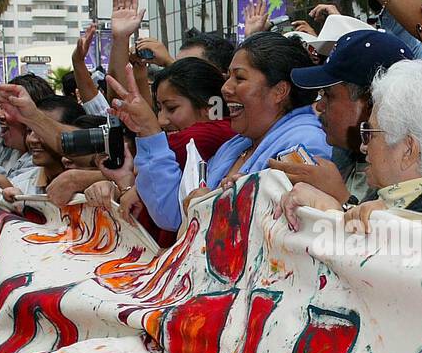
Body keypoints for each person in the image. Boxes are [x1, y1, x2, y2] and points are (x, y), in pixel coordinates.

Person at [127, 32, 330, 231]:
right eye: (228, 77)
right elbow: (173, 216)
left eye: (239, 78)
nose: (225, 88)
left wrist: (210, 209)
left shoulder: (307, 143)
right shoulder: (236, 145)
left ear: (279, 91)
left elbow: (287, 234)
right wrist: (148, 132)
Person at [281, 57, 422, 227]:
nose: (364, 146)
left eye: (370, 133)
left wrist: (331, 215)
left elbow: (382, 272)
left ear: (408, 150)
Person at [84, 58, 235, 231]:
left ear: (211, 107)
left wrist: (148, 131)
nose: (161, 120)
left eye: (171, 108)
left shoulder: (216, 132)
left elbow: (167, 215)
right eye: (159, 108)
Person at [274, 29, 413, 204]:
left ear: (370, 103)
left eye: (329, 95)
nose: (319, 105)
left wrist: (341, 200)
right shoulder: (344, 153)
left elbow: (400, 229)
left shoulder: (406, 171)